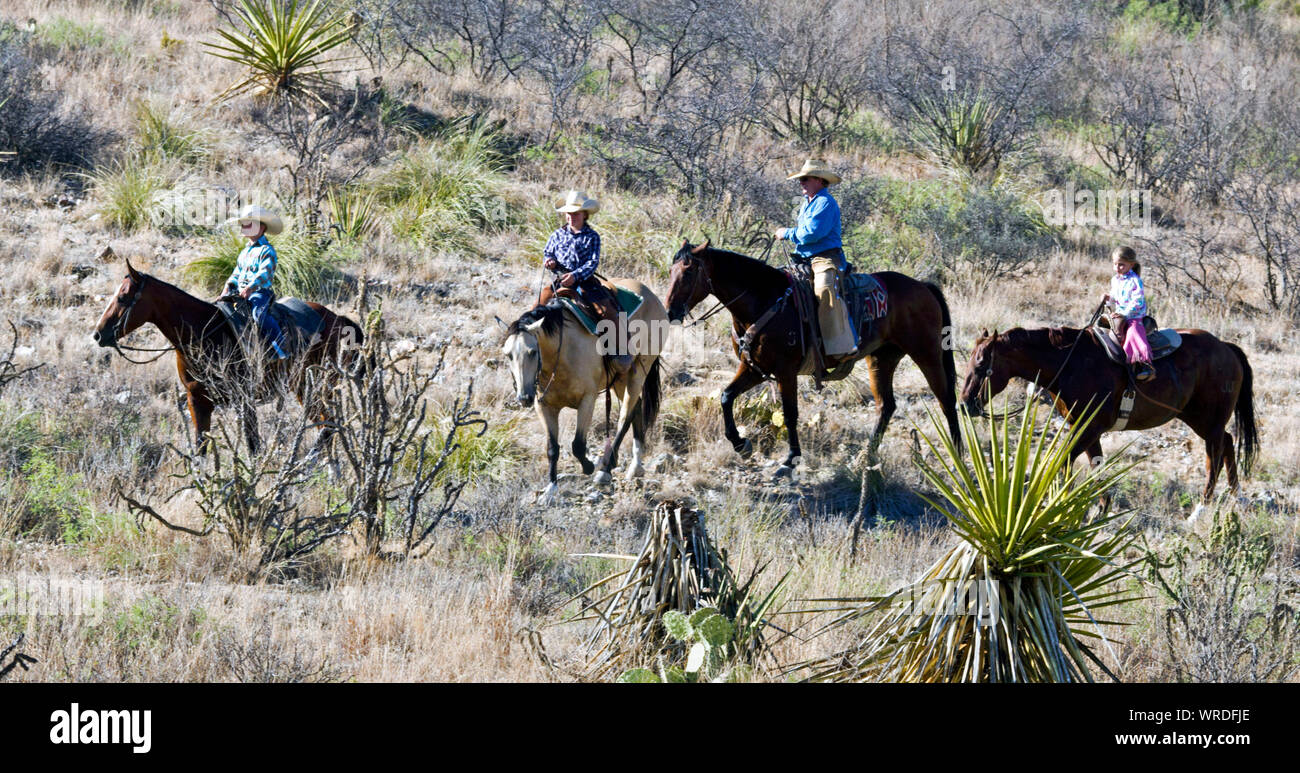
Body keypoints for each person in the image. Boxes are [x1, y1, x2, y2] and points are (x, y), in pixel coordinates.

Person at [540, 190, 632, 371]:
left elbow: (592, 263)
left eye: (575, 214)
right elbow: (547, 253)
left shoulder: (592, 237)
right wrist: (549, 261)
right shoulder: (557, 235)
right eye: (569, 214)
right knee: (538, 307)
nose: (571, 218)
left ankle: (621, 351)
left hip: (585, 282)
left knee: (606, 312)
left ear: (584, 215)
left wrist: (575, 276)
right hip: (559, 279)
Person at [773, 158, 857, 359]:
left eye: (805, 179)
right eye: (800, 179)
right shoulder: (807, 203)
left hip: (825, 259)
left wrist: (787, 233)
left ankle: (841, 347)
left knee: (824, 290)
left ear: (819, 180)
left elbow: (811, 234)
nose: (801, 183)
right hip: (803, 259)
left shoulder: (825, 202)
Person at [222, 205, 288, 360]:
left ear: (261, 227)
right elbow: (237, 272)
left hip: (259, 292)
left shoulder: (267, 250)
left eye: (248, 223)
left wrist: (250, 287)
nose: (244, 227)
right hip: (239, 292)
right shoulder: (244, 252)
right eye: (243, 224)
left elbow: (264, 273)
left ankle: (279, 345)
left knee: (258, 314)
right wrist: (228, 286)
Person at [1102, 245, 1154, 382]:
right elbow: (1114, 298)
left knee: (1134, 333)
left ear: (1131, 265)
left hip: (1134, 315)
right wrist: (1108, 300)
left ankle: (1145, 364)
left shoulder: (1135, 281)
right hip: (1118, 314)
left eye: (1121, 265)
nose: (1117, 268)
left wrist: (1125, 314)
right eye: (1115, 264)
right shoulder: (1115, 280)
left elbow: (1137, 301)